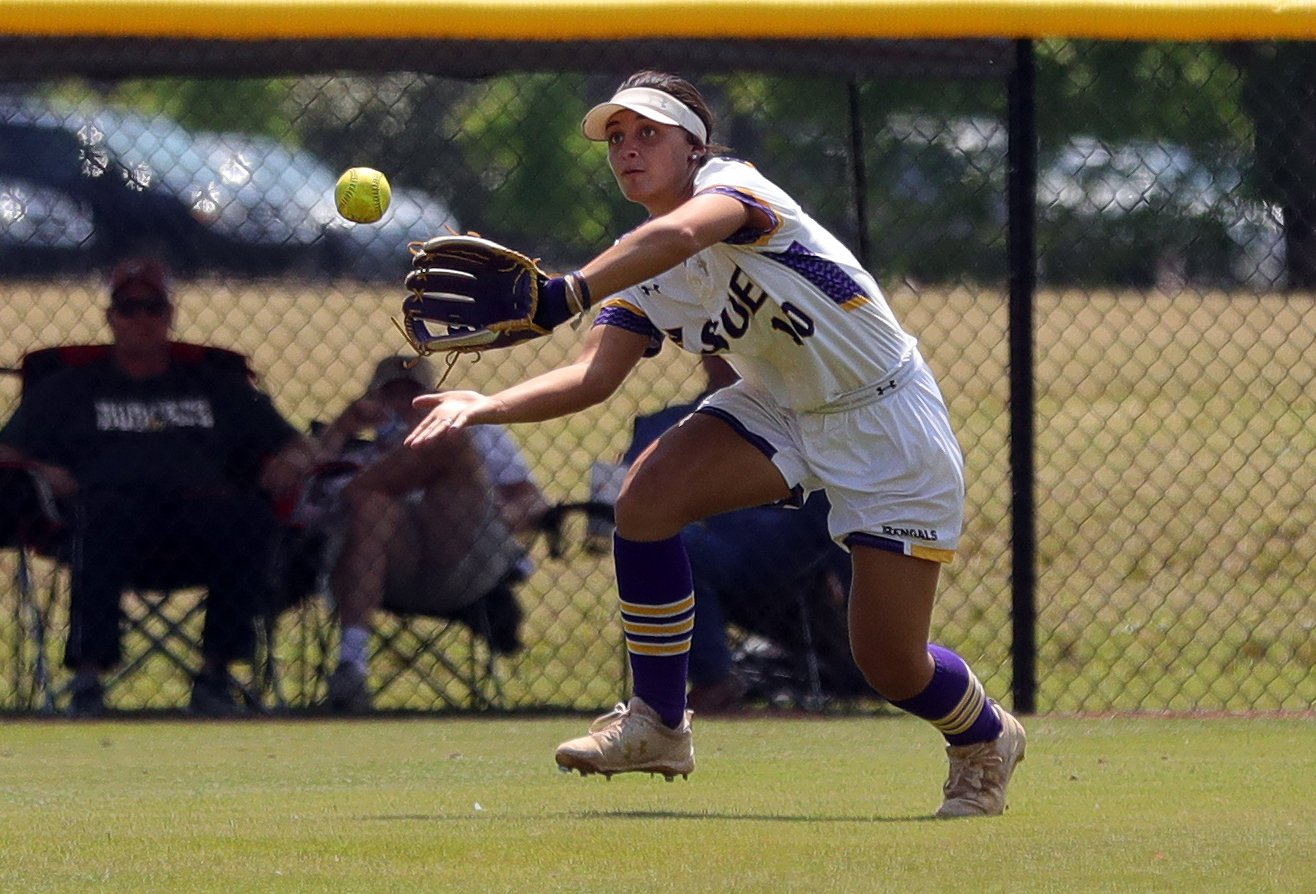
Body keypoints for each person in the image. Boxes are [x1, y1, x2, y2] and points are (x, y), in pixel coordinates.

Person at [404, 71, 1025, 817]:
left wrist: (565, 292)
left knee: (889, 662)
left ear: (695, 146)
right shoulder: (637, 269)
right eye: (616, 137)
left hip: (885, 417)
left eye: (648, 133)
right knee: (645, 499)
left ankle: (985, 736)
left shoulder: (734, 187)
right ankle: (659, 724)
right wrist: (486, 404)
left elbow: (681, 234)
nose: (628, 149)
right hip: (780, 405)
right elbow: (592, 377)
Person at [0, 257, 317, 717]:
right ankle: (88, 679)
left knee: (248, 519)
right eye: (128, 308)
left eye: (153, 307)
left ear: (170, 315)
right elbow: (6, 450)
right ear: (111, 318)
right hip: (108, 514)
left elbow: (296, 443)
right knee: (102, 517)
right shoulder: (69, 387)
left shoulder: (216, 384)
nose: (142, 319)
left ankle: (216, 677)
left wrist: (291, 461)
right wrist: (42, 470)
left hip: (202, 517)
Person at [616, 356, 865, 714]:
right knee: (666, 542)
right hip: (697, 544)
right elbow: (626, 496)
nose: (726, 353)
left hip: (774, 550)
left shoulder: (801, 423)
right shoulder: (663, 425)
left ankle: (874, 649)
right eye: (715, 345)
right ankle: (697, 687)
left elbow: (834, 510)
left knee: (681, 545)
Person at [308, 355, 546, 714]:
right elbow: (301, 485)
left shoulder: (477, 429)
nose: (404, 404)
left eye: (415, 395)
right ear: (372, 400)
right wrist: (343, 427)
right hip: (384, 568)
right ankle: (351, 667)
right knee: (372, 505)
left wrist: (500, 512)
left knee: (449, 440)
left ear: (434, 395)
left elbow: (533, 502)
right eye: (391, 394)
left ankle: (360, 487)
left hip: (463, 557)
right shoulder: (355, 444)